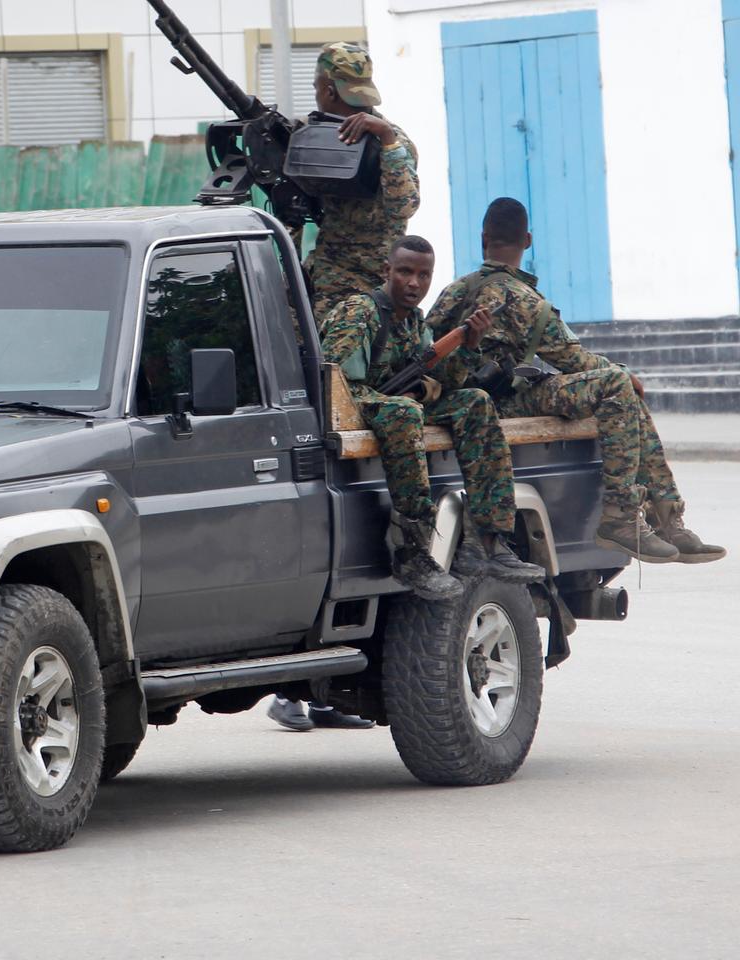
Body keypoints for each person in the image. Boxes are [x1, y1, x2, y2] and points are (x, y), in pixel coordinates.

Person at [268, 235, 544, 734]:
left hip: (395, 402)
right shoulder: (361, 311)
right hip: (356, 406)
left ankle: (491, 536)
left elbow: (442, 377)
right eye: (405, 273)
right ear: (387, 270)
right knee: (401, 411)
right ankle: (413, 545)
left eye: (422, 275)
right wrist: (405, 395)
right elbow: (332, 380)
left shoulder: (416, 322)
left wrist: (466, 348)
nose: (414, 283)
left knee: (476, 403)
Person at [428, 198, 725, 564]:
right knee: (617, 384)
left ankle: (662, 516)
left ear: (483, 238)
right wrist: (621, 372)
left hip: (460, 402)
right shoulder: (524, 300)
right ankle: (633, 515)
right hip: (502, 404)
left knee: (618, 383)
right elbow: (574, 360)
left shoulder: (453, 292)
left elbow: (428, 349)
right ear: (529, 241)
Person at [303, 42, 420, 321]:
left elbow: (405, 206)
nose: (316, 95)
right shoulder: (320, 137)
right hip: (323, 283)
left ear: (329, 91)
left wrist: (387, 140)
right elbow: (296, 206)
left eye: (316, 87)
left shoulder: (393, 141)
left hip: (369, 295)